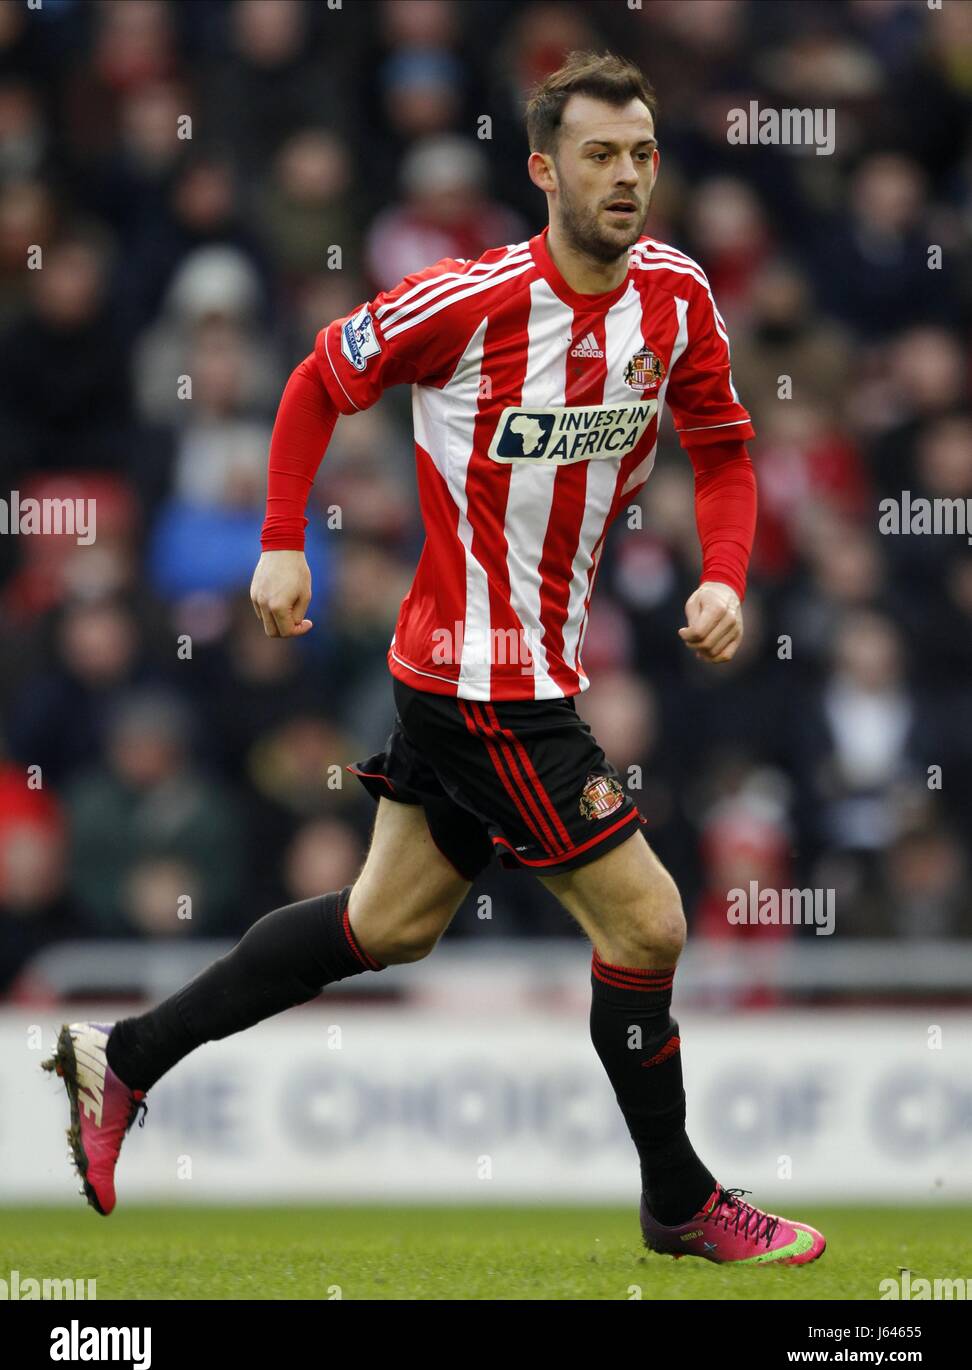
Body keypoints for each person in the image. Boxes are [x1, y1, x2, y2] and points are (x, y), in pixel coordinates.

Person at [45, 51, 824, 1267]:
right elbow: (314, 379)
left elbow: (724, 449)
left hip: (526, 671)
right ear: (541, 169)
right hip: (477, 681)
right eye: (598, 155)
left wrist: (724, 571)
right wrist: (282, 544)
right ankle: (680, 1200)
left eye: (641, 155)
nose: (625, 177)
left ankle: (124, 1058)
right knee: (651, 924)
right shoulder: (464, 301)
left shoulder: (674, 297)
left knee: (389, 922)